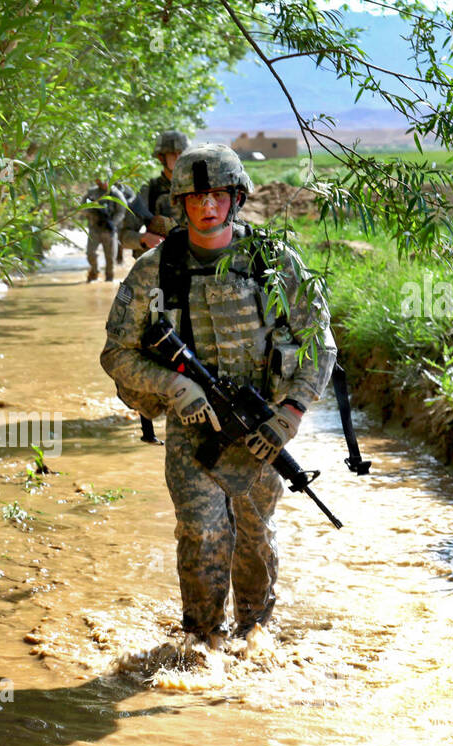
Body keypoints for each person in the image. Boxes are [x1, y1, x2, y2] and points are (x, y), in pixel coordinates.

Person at [99, 144, 337, 651]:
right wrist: (174, 385)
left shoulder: (273, 262)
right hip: (191, 433)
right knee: (202, 532)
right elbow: (116, 354)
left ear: (236, 198)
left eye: (218, 196)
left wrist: (290, 415)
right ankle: (203, 641)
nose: (207, 206)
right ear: (180, 203)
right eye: (196, 196)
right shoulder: (153, 270)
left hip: (262, 427)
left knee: (253, 532)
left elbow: (320, 341)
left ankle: (254, 635)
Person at [119, 129, 187, 260]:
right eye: (173, 154)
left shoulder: (199, 188)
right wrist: (144, 238)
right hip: (161, 263)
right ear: (162, 157)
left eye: (182, 153)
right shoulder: (150, 191)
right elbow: (124, 236)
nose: (178, 158)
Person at [82, 169, 134, 283]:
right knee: (91, 254)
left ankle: (109, 280)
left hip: (109, 230)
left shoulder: (116, 193)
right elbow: (82, 207)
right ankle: (95, 272)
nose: (102, 182)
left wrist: (112, 223)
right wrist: (91, 212)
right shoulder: (92, 193)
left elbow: (121, 211)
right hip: (94, 228)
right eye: (100, 179)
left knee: (110, 259)